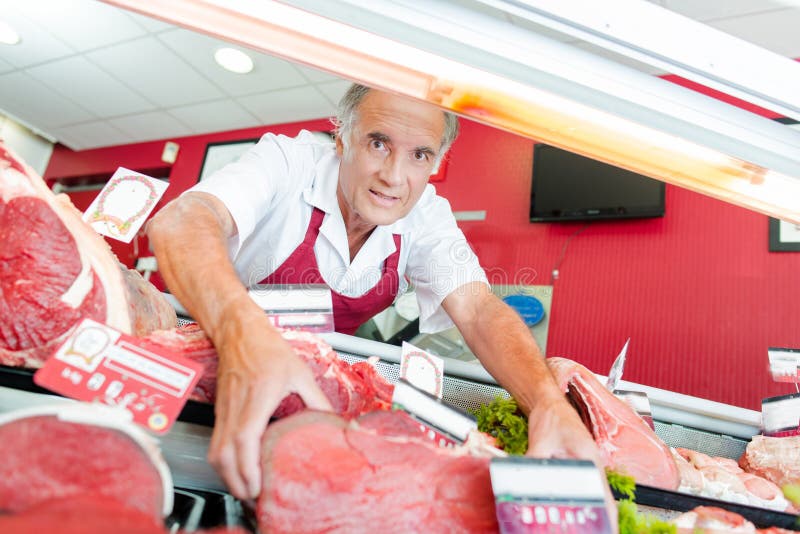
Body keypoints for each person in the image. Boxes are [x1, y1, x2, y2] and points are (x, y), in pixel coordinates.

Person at [147, 84, 602, 500]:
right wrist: (242, 331)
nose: (393, 176)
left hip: (311, 393)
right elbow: (182, 220)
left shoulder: (427, 216)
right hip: (203, 369)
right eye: (378, 143)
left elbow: (479, 308)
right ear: (342, 138)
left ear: (437, 163)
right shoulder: (288, 163)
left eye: (419, 155)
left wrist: (546, 402)